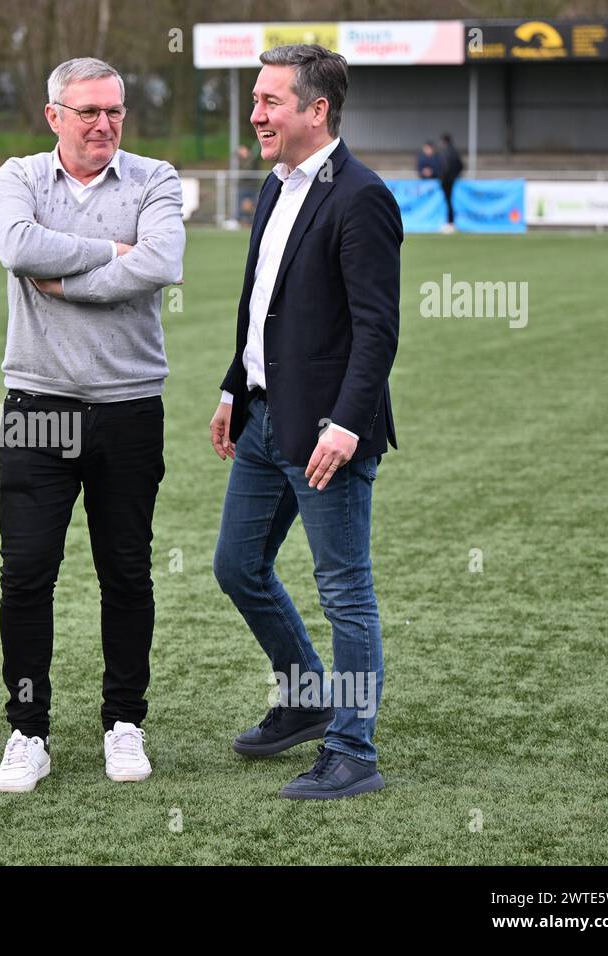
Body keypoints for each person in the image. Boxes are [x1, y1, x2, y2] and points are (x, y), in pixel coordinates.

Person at [208, 44, 402, 800]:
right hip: (262, 418)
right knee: (237, 567)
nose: (256, 114)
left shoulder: (361, 196)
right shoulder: (276, 183)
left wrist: (347, 424)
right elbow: (263, 308)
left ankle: (354, 751)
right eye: (256, 100)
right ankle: (307, 696)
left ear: (316, 110)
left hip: (328, 434)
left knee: (345, 591)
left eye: (270, 101)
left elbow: (376, 329)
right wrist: (234, 388)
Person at [0, 56, 185, 792]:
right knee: (26, 573)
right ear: (54, 117)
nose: (103, 124)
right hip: (37, 405)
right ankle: (27, 731)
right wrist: (112, 253)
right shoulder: (21, 178)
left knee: (127, 572)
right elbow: (16, 247)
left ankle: (124, 723)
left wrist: (64, 281)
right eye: (88, 112)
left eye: (114, 111)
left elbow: (162, 261)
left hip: (131, 405)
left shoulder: (155, 179)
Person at [437, 132, 464, 233]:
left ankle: (450, 223)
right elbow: (461, 166)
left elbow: (445, 168)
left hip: (446, 181)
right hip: (452, 180)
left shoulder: (445, 153)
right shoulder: (455, 152)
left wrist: (442, 177)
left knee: (448, 202)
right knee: (450, 202)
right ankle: (451, 222)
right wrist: (455, 175)